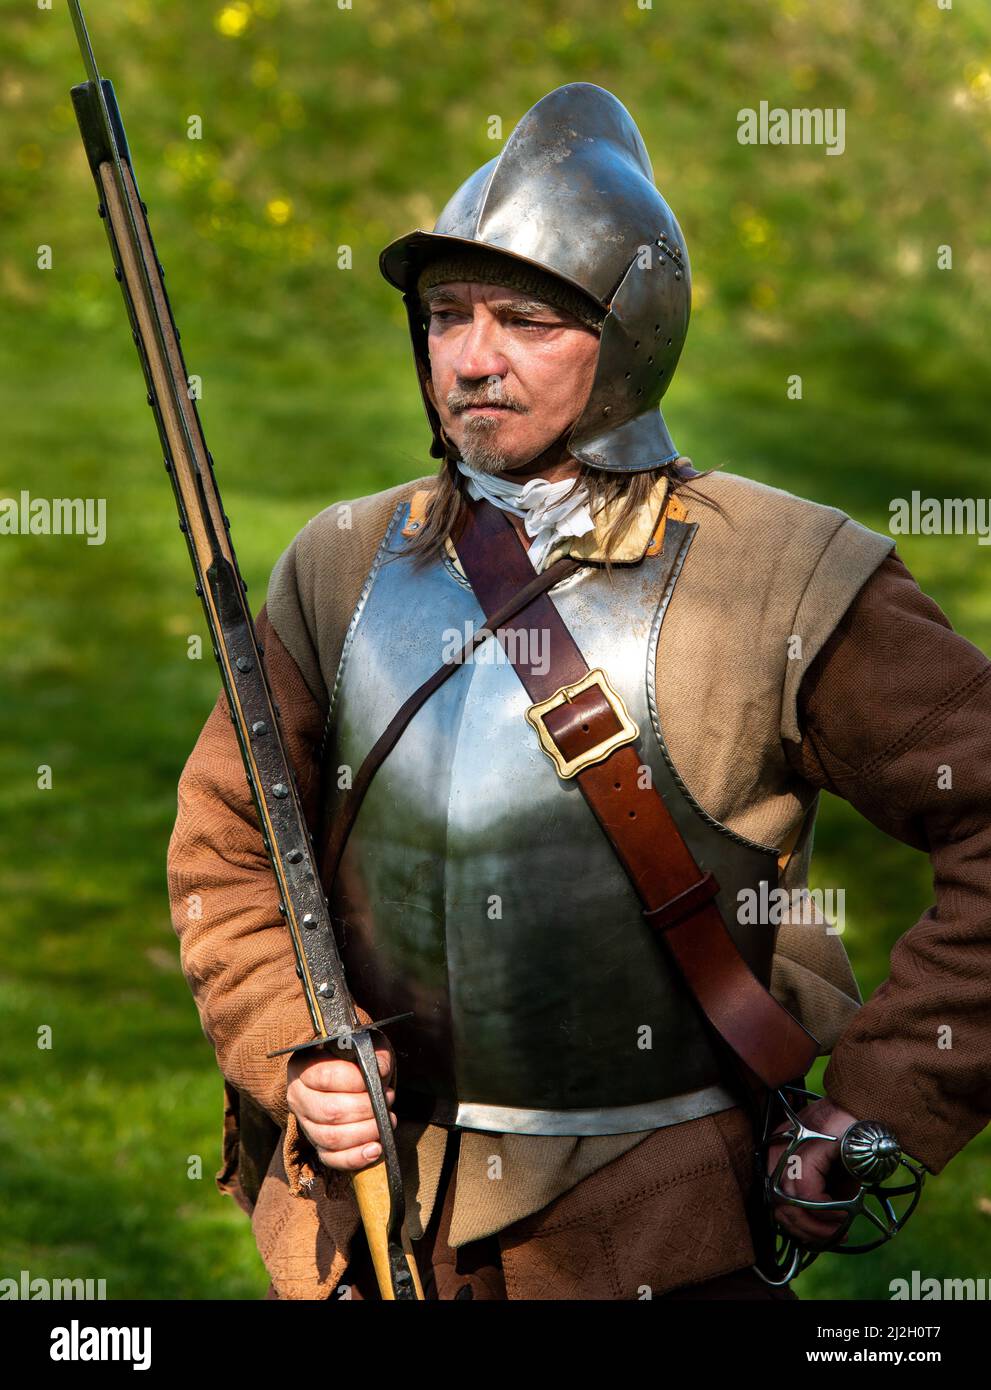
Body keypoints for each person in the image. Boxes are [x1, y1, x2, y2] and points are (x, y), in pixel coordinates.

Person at [167, 82, 991, 1300]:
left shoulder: (784, 575)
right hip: (384, 1221)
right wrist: (299, 1050)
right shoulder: (339, 565)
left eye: (527, 320)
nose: (473, 358)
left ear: (629, 334)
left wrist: (876, 1106)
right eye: (446, 316)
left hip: (653, 1224)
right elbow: (227, 843)